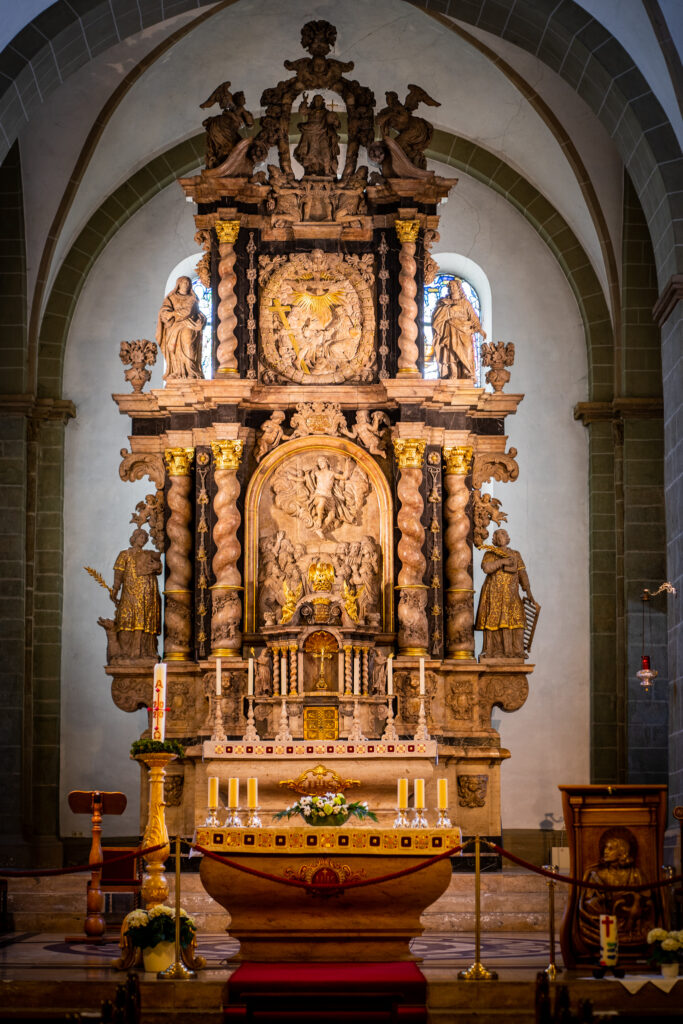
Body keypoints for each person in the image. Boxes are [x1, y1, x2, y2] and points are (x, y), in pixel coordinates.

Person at [578, 829, 653, 945]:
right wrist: (601, 900)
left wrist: (634, 901)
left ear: (622, 852)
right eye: (605, 848)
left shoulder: (635, 873)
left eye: (610, 848)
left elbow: (647, 897)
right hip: (604, 916)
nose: (605, 851)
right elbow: (588, 900)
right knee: (591, 904)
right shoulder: (598, 875)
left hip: (629, 914)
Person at [475, 528, 533, 658]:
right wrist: (502, 562)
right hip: (494, 594)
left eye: (503, 534)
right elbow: (486, 568)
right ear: (495, 539)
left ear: (507, 538)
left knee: (517, 619)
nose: (501, 537)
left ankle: (517, 651)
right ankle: (492, 651)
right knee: (493, 620)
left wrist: (528, 590)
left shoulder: (515, 554)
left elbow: (522, 573)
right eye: (498, 535)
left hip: (511, 595)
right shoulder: (490, 554)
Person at [112, 528, 161, 659]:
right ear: (134, 538)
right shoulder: (125, 554)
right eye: (140, 537)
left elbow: (158, 568)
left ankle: (145, 651)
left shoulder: (148, 555)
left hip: (147, 592)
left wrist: (156, 567)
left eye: (145, 538)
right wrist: (115, 589)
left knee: (146, 618)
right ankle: (126, 652)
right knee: (127, 617)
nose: (143, 540)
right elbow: (119, 572)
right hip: (130, 591)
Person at [431, 278, 485, 380]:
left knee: (467, 350)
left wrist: (479, 329)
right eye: (450, 287)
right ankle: (453, 373)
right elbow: (437, 317)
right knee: (450, 351)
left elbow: (473, 317)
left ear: (459, 288)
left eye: (454, 286)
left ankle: (467, 371)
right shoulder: (444, 302)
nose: (452, 288)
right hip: (450, 330)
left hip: (464, 331)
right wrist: (447, 308)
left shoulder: (465, 303)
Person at [156, 276, 206, 379]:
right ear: (179, 284)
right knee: (173, 349)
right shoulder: (171, 298)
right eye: (184, 282)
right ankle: (177, 371)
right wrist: (166, 315)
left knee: (188, 346)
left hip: (188, 325)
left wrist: (173, 314)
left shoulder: (192, 299)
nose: (186, 285)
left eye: (188, 283)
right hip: (174, 328)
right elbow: (164, 312)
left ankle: (190, 371)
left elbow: (187, 312)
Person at [293, 93, 340, 176]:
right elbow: (302, 111)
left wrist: (336, 123)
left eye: (319, 100)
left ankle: (327, 171)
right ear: (313, 102)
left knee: (325, 152)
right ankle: (311, 170)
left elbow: (334, 122)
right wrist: (304, 101)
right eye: (316, 100)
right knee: (309, 153)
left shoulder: (326, 112)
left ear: (322, 102)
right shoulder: (311, 111)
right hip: (310, 134)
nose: (318, 102)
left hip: (322, 133)